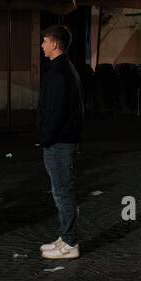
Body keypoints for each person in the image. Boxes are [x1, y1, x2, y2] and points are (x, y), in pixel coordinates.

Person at [38, 24, 85, 261]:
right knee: (60, 191)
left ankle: (69, 241)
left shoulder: (59, 71)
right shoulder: (64, 68)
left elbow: (55, 111)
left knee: (62, 192)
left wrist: (45, 138)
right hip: (62, 140)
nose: (42, 45)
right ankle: (65, 236)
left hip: (59, 141)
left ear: (55, 43)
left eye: (45, 40)